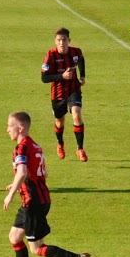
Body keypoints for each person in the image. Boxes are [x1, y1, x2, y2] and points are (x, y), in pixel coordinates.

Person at [2, 111, 93, 257]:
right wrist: (17, 185)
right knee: (14, 236)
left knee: (36, 248)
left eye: (9, 126)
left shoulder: (22, 147)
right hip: (38, 198)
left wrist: (11, 194)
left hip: (33, 202)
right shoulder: (35, 146)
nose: (7, 130)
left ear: (20, 128)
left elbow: (22, 172)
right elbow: (42, 173)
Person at [41, 28, 88, 161]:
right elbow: (44, 78)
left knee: (77, 115)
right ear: (55, 41)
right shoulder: (51, 55)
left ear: (69, 40)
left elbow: (81, 60)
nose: (62, 43)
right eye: (59, 40)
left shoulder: (76, 52)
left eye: (64, 40)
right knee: (60, 121)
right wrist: (62, 76)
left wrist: (82, 75)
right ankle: (60, 144)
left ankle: (80, 149)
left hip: (74, 89)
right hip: (58, 94)